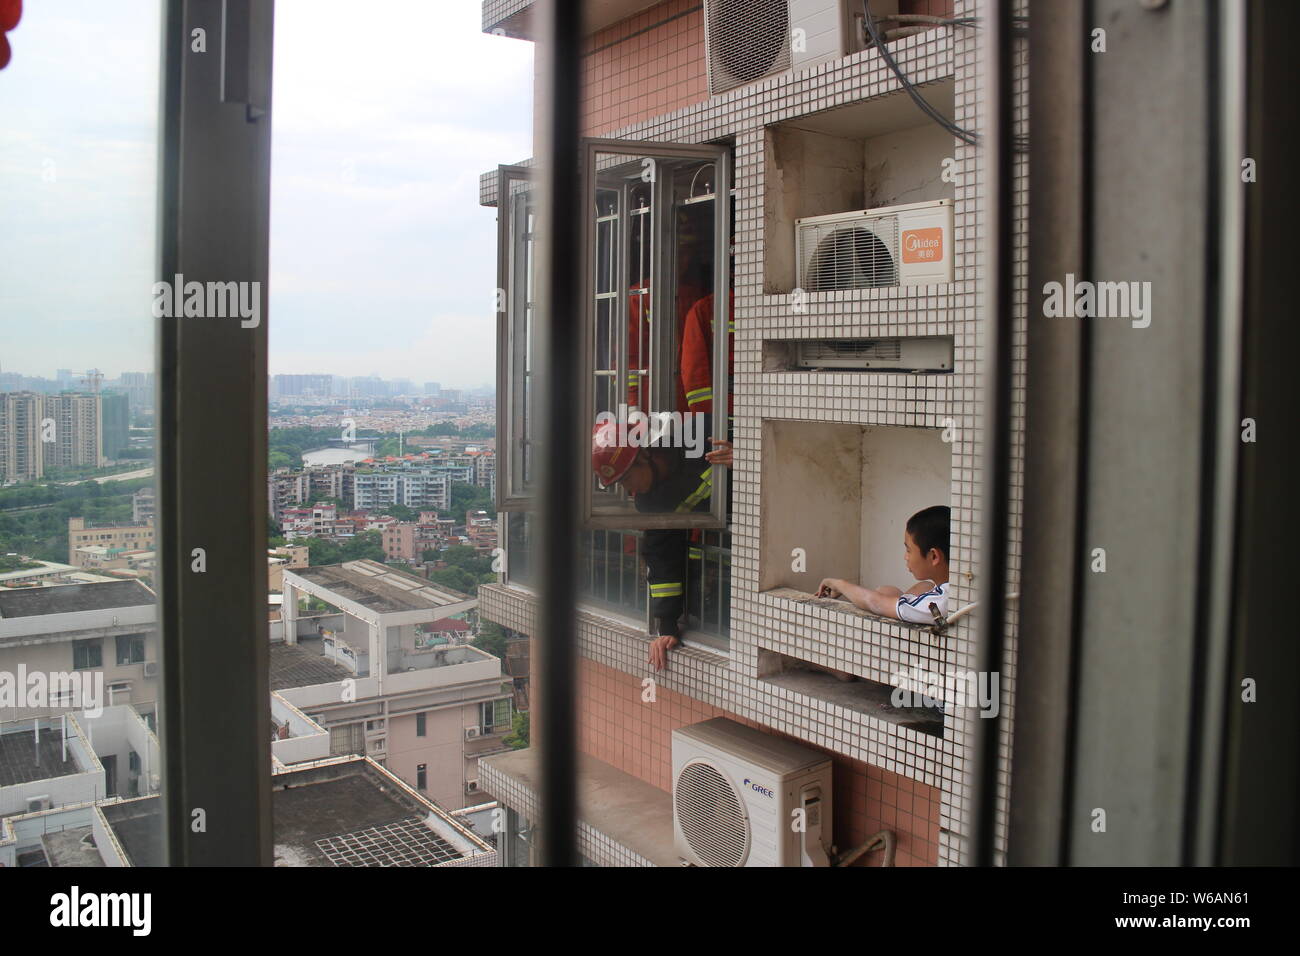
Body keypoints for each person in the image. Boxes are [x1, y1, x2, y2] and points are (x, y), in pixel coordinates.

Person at [591, 421, 732, 671]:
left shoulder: (697, 435)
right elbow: (661, 556)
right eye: (620, 485)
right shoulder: (650, 502)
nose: (629, 490)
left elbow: (759, 428)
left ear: (643, 456)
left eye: (626, 478)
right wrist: (666, 627)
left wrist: (749, 456)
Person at [816, 505, 951, 624]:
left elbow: (874, 602)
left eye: (908, 550)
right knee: (919, 587)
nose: (905, 557)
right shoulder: (952, 589)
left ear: (934, 556)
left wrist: (839, 584)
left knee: (884, 593)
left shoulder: (938, 604)